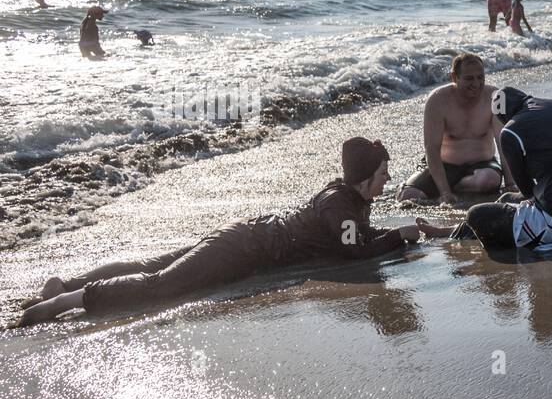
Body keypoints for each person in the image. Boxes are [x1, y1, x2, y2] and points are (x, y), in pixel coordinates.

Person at [18, 138, 445, 326]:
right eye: (384, 173)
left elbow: (354, 238)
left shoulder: (350, 201)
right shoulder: (339, 204)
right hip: (243, 247)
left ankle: (66, 283)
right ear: (366, 176)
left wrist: (404, 231)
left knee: (155, 265)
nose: (388, 180)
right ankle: (66, 300)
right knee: (162, 285)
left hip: (244, 236)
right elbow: (354, 249)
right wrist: (398, 237)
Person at [451, 88, 552, 252]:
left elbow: (528, 193)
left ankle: (457, 237)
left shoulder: (510, 131)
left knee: (476, 215)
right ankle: (459, 231)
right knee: (507, 198)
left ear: (503, 116)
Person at [399, 53, 512, 203]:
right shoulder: (437, 99)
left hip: (482, 165)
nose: (476, 84)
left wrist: (510, 183)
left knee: (488, 180)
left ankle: (454, 186)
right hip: (444, 165)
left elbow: (504, 143)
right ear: (454, 77)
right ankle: (443, 186)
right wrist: (444, 192)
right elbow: (431, 149)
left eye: (480, 77)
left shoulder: (497, 97)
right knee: (408, 196)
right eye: (469, 78)